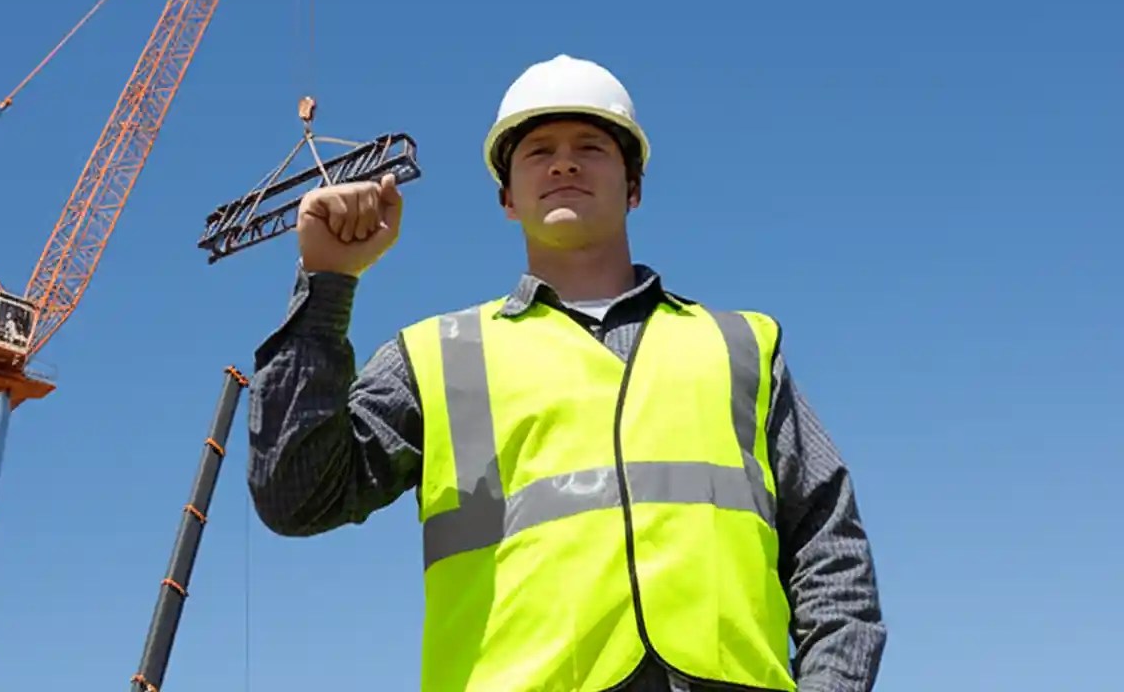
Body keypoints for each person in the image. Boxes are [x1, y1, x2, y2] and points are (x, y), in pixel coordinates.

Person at [247, 53, 886, 692]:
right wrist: (328, 282)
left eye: (591, 146)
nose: (564, 163)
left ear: (633, 187)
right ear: (506, 197)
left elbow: (832, 554)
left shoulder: (739, 346)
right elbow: (295, 495)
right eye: (538, 151)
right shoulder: (438, 355)